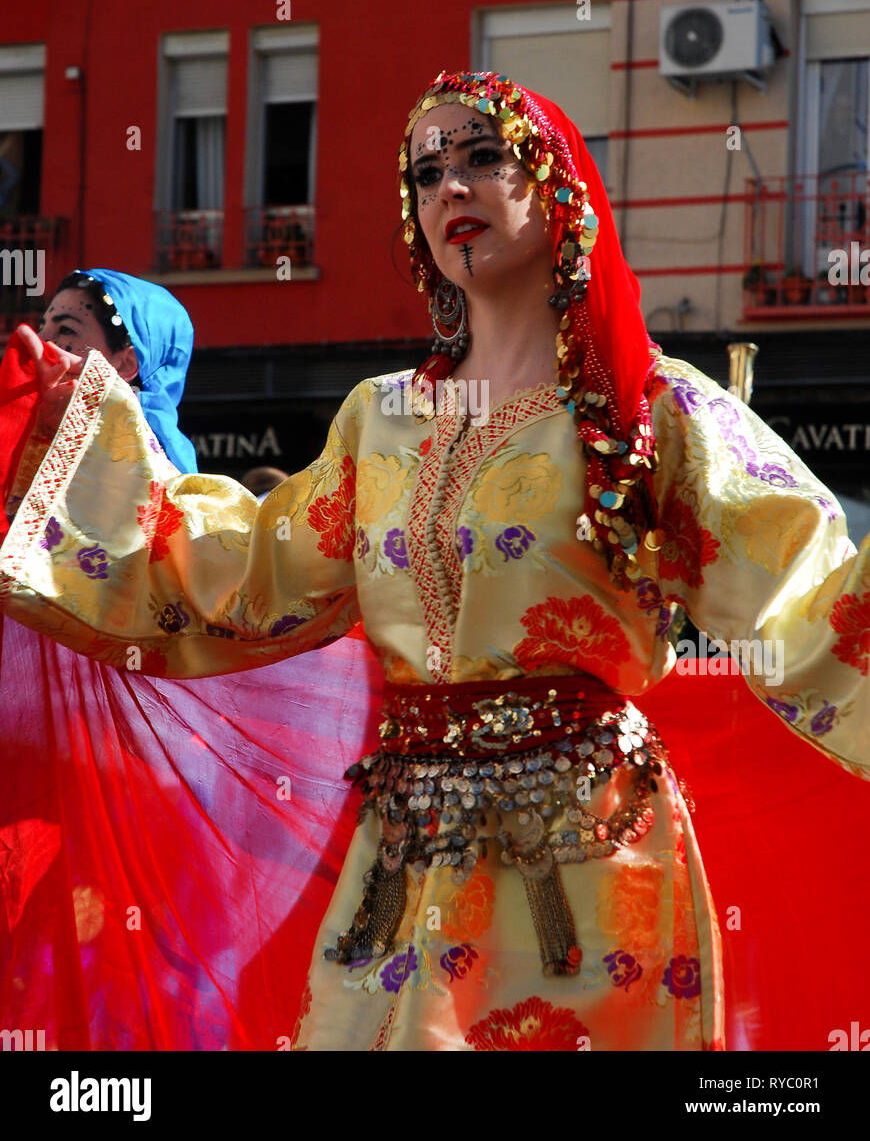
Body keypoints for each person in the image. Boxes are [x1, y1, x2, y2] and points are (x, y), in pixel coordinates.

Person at [1, 72, 868, 1052]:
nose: (450, 187)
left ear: (557, 187)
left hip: (578, 856)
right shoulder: (385, 419)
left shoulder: (648, 411)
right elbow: (249, 577)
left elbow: (813, 600)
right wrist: (68, 431)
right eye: (426, 172)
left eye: (482, 158)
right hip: (404, 853)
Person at [0, 269, 377, 1050]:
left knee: (151, 1001)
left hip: (162, 825)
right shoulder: (37, 483)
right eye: (46, 325)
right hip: (49, 823)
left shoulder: (179, 500)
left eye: (69, 333)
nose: (46, 347)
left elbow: (258, 613)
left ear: (128, 363)